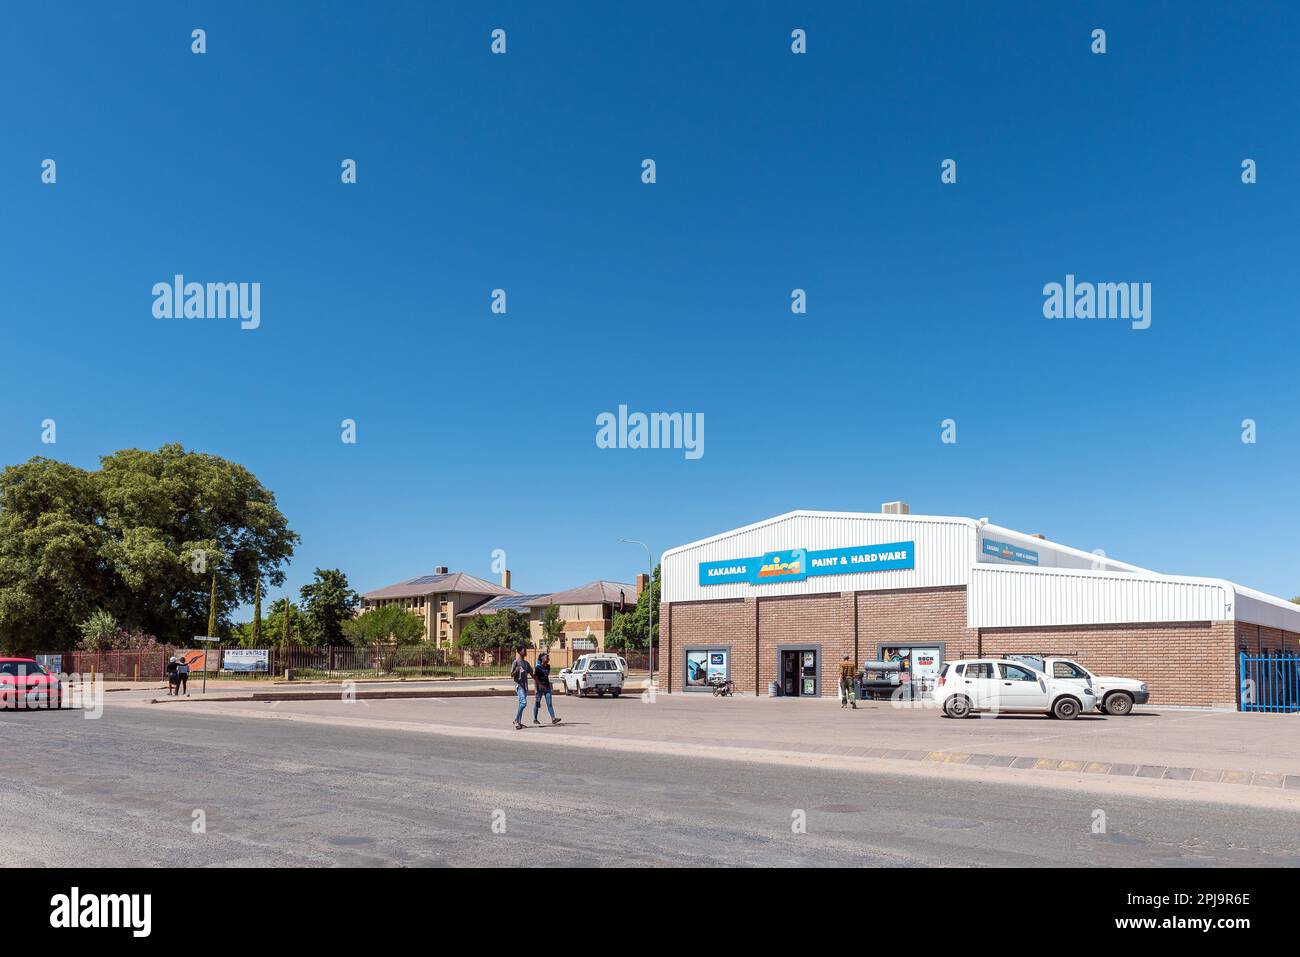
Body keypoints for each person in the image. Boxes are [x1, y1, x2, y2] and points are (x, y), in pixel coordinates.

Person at [532, 652, 561, 726]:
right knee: (537, 703)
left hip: (547, 687)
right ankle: (535, 719)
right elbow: (535, 679)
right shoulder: (537, 667)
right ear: (542, 658)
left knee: (549, 703)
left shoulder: (548, 666)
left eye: (548, 657)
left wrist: (550, 685)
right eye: (546, 657)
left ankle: (553, 719)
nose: (548, 659)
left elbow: (546, 676)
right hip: (539, 688)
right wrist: (536, 690)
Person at [510, 647, 533, 730]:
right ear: (519, 652)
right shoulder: (516, 662)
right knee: (523, 703)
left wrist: (538, 682)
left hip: (525, 686)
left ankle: (519, 722)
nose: (526, 651)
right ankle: (516, 720)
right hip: (519, 685)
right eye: (524, 650)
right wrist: (516, 670)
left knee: (521, 704)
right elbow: (511, 675)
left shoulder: (526, 663)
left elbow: (531, 673)